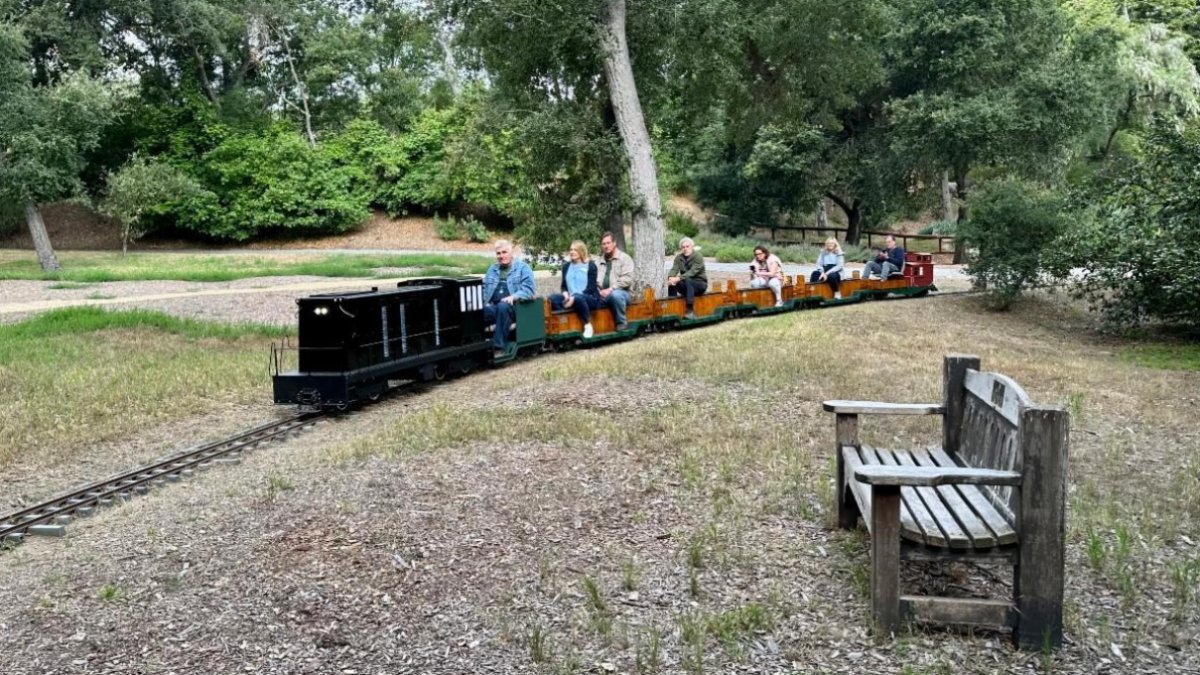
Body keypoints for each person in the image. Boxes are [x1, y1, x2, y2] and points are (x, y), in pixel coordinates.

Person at [482, 239, 536, 355]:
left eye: (504, 252)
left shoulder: (523, 268)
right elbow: (484, 289)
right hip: (494, 307)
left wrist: (514, 296)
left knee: (503, 306)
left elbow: (529, 290)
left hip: (516, 307)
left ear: (511, 252)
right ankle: (476, 346)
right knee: (477, 312)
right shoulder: (492, 269)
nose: (502, 256)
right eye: (498, 253)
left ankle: (498, 347)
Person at [549, 240, 600, 338]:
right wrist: (565, 293)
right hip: (571, 298)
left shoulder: (591, 265)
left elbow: (591, 288)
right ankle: (567, 320)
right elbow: (564, 285)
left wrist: (575, 297)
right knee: (552, 299)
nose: (572, 252)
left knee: (578, 298)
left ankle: (588, 325)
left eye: (575, 250)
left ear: (581, 251)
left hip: (589, 297)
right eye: (571, 249)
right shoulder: (566, 266)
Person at [596, 231, 634, 331]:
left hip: (623, 293)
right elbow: (593, 280)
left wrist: (611, 289)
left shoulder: (625, 258)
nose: (606, 246)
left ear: (614, 243)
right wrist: (598, 291)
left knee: (615, 295)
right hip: (602, 293)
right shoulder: (598, 262)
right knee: (588, 298)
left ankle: (622, 323)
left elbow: (627, 279)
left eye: (608, 243)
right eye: (604, 244)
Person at [667, 237, 707, 319]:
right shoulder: (679, 258)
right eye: (683, 247)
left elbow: (692, 272)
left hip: (700, 284)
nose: (685, 249)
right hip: (686, 283)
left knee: (687, 280)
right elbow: (674, 269)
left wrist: (678, 278)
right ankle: (671, 308)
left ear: (692, 247)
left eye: (687, 246)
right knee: (672, 284)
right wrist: (671, 278)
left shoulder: (698, 256)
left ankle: (690, 311)